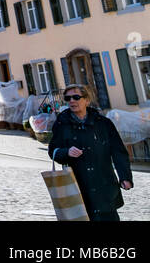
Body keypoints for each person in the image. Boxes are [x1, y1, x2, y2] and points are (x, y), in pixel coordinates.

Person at [47, 84, 133, 221]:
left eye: (76, 97)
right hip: (77, 187)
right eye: (68, 98)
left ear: (87, 100)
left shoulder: (103, 123)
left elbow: (118, 151)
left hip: (104, 184)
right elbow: (53, 152)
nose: (72, 101)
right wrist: (66, 152)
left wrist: (125, 177)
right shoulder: (61, 124)